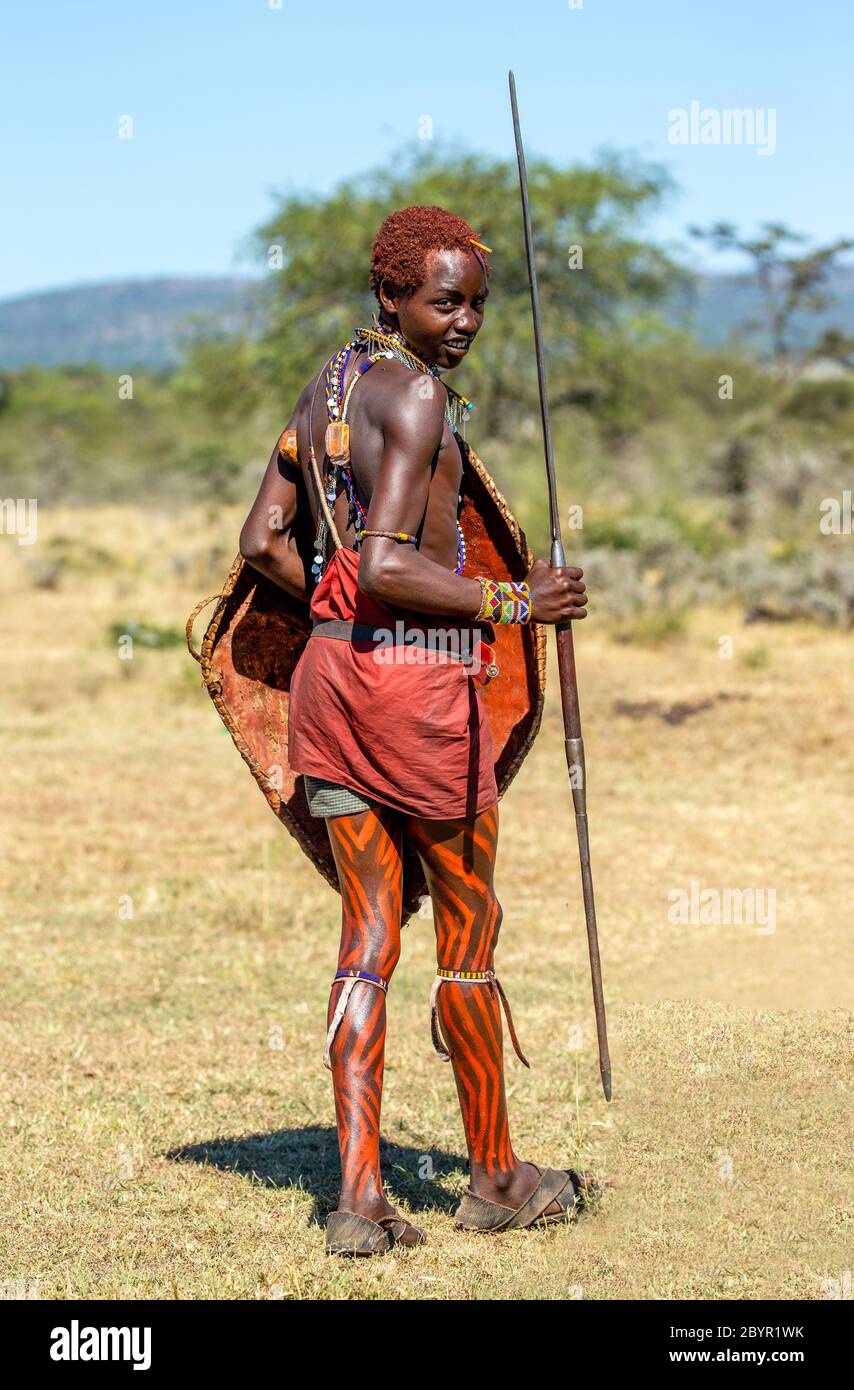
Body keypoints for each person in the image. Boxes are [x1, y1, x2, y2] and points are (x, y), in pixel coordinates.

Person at [239, 204, 594, 1255]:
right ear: (389, 293)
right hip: (421, 694)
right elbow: (392, 559)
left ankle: (357, 1201)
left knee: (365, 941)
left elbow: (264, 537)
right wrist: (510, 604)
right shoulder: (420, 394)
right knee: (467, 941)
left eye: (478, 301)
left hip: (330, 685)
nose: (467, 320)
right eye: (445, 300)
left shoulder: (326, 389)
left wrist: (332, 601)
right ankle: (492, 1179)